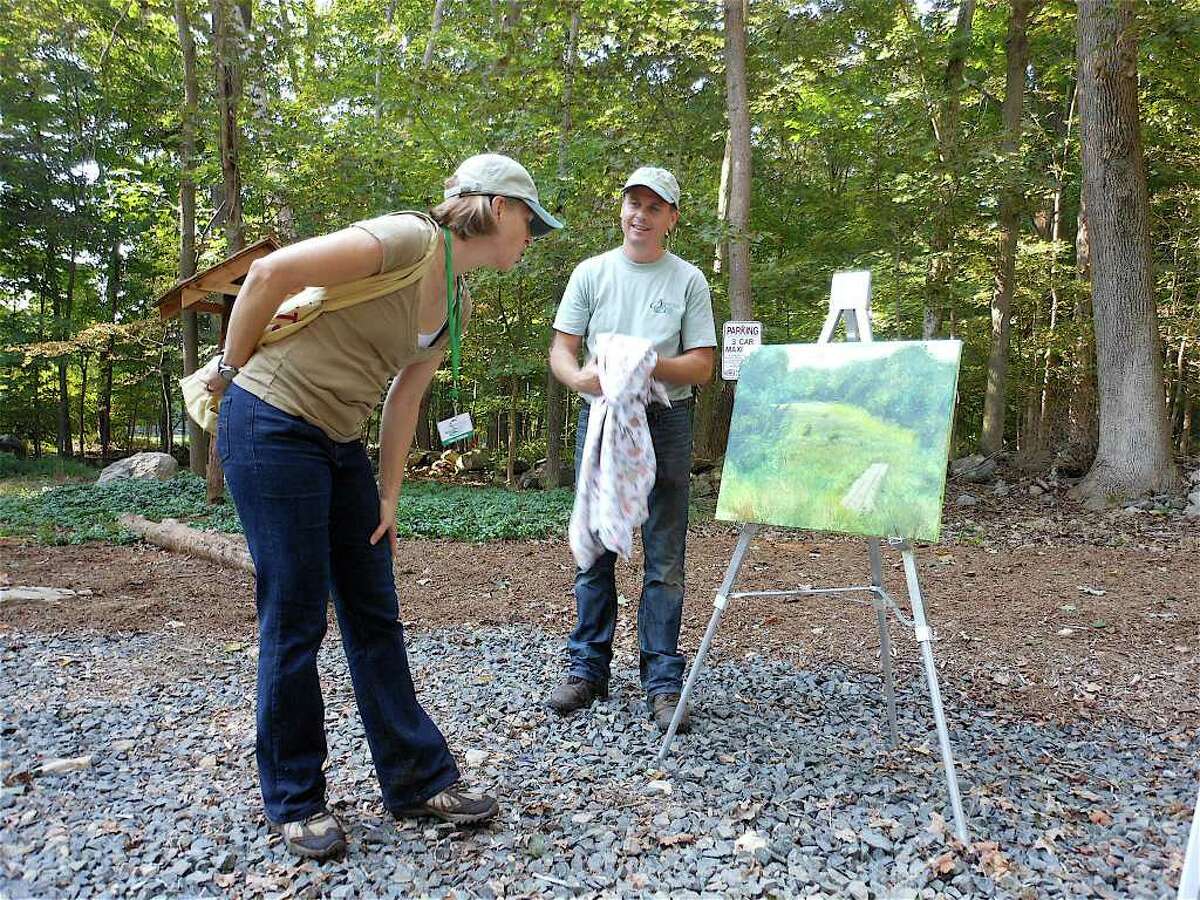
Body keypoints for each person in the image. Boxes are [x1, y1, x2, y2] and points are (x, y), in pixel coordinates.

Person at [207, 154, 562, 860]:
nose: (535, 233)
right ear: (492, 208)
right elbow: (273, 274)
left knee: (374, 611)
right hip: (272, 421)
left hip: (340, 445)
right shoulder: (404, 239)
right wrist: (226, 370)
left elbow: (405, 398)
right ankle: (296, 798)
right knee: (298, 612)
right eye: (530, 218)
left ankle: (415, 779)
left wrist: (390, 492)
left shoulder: (456, 301)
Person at [547, 166, 716, 733]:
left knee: (664, 555)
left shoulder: (688, 280)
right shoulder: (591, 273)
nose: (639, 215)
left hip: (665, 420)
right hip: (601, 419)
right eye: (632, 203)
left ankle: (663, 680)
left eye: (652, 206)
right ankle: (587, 669)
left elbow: (702, 365)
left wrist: (640, 361)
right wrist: (580, 379)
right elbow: (563, 350)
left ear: (671, 218)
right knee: (595, 545)